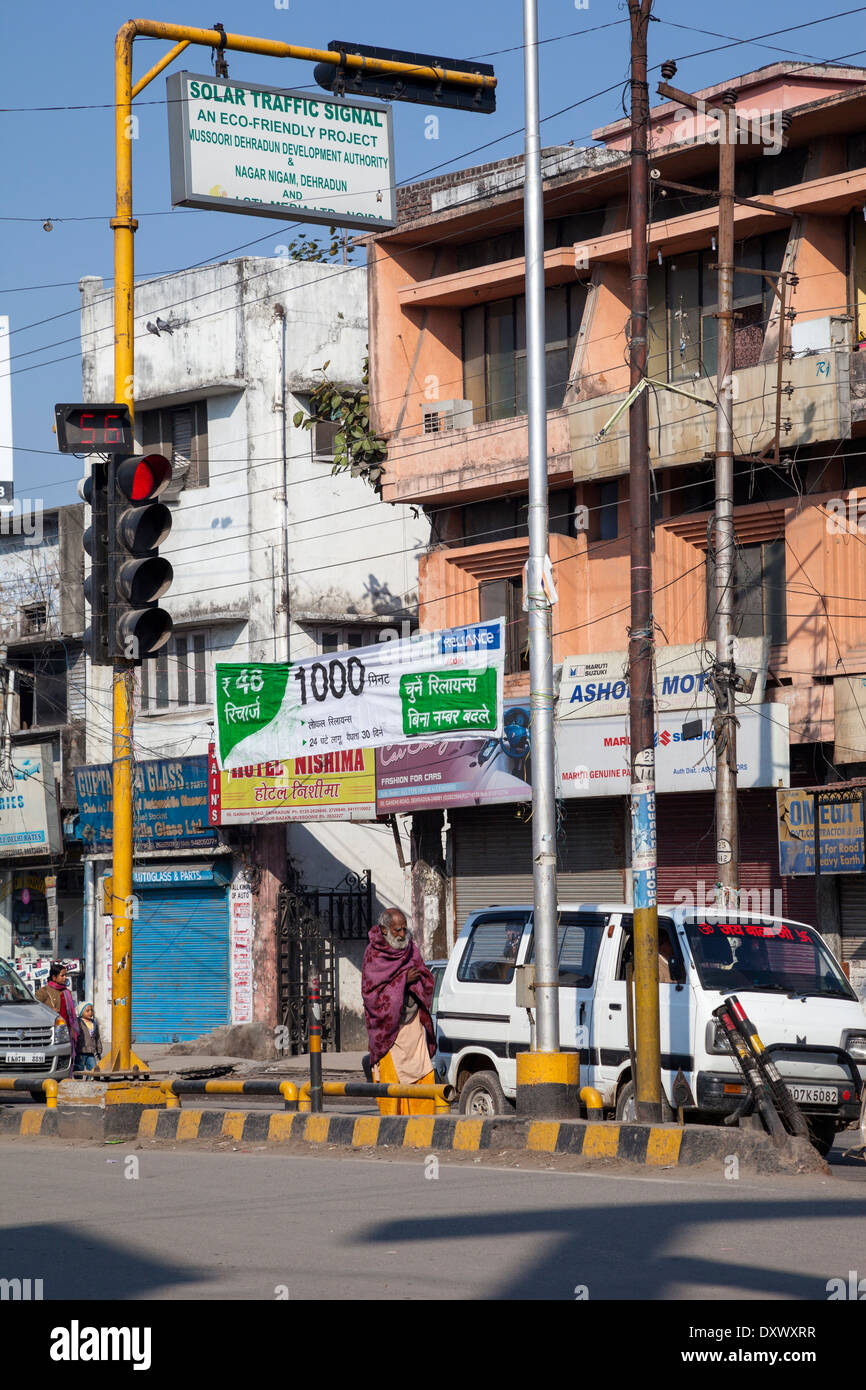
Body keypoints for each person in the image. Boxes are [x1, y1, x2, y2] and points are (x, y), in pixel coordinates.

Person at [361, 908, 436, 1116]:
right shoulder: (373, 955)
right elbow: (371, 994)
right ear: (384, 930)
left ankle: (423, 1124)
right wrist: (404, 980)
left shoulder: (411, 949)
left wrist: (415, 980)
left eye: (404, 929)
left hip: (412, 1025)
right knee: (392, 1081)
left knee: (423, 1072)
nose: (403, 935)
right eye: (397, 930)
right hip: (389, 1032)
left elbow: (426, 978)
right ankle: (393, 1126)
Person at [35, 962, 79, 1074]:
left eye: (66, 975)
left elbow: (71, 1014)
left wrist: (74, 1029)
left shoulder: (67, 992)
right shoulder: (44, 991)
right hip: (55, 1031)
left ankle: (68, 1075)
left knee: (68, 1055)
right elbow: (35, 1007)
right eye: (62, 975)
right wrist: (49, 1009)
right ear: (54, 977)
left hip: (67, 1029)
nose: (65, 978)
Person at [75, 1003, 102, 1073]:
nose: (90, 1012)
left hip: (91, 1052)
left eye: (91, 1010)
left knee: (93, 1069)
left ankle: (91, 1080)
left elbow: (97, 1037)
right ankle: (78, 1082)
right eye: (87, 1011)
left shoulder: (94, 1023)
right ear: (81, 1012)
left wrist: (99, 1050)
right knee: (79, 1069)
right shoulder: (78, 1023)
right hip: (80, 1052)